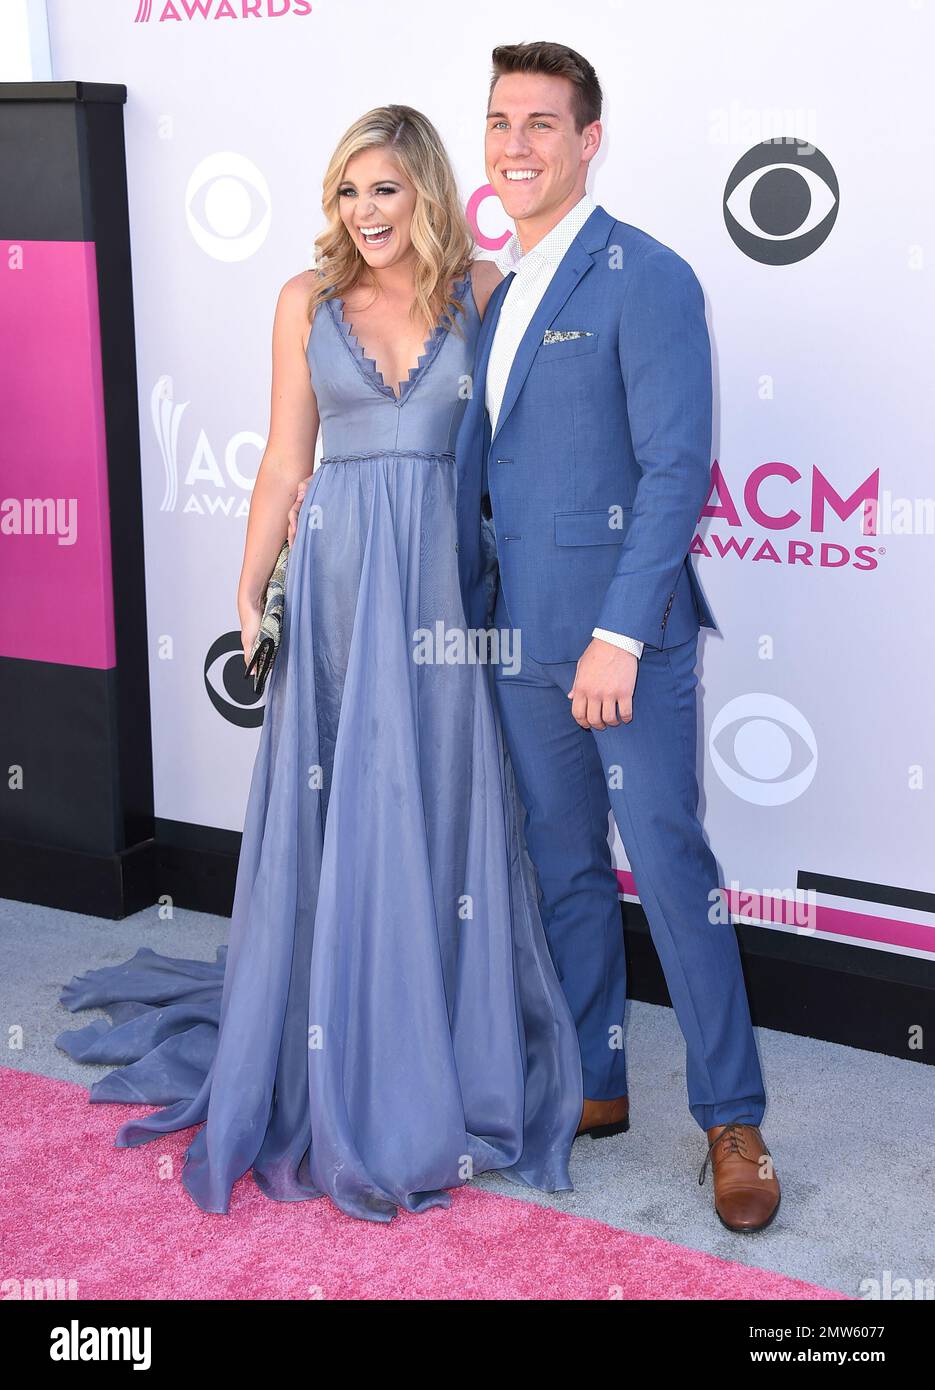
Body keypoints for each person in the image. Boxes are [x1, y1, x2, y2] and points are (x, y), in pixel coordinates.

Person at [56, 104, 583, 1224]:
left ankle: (443, 1043)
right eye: (347, 191)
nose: (363, 212)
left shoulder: (483, 295)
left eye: (384, 188)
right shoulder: (304, 300)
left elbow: (525, 464)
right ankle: (325, 1031)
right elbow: (285, 464)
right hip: (342, 581)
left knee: (443, 802)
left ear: (427, 191)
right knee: (340, 795)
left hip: (443, 590)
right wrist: (250, 587)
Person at [449, 40, 781, 1233]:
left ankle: (730, 1119)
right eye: (499, 122)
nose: (515, 144)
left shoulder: (645, 275)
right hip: (517, 645)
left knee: (671, 870)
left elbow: (673, 469)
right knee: (564, 866)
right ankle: (594, 1080)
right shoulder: (493, 292)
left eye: (541, 123)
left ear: (588, 140)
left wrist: (617, 636)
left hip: (618, 645)